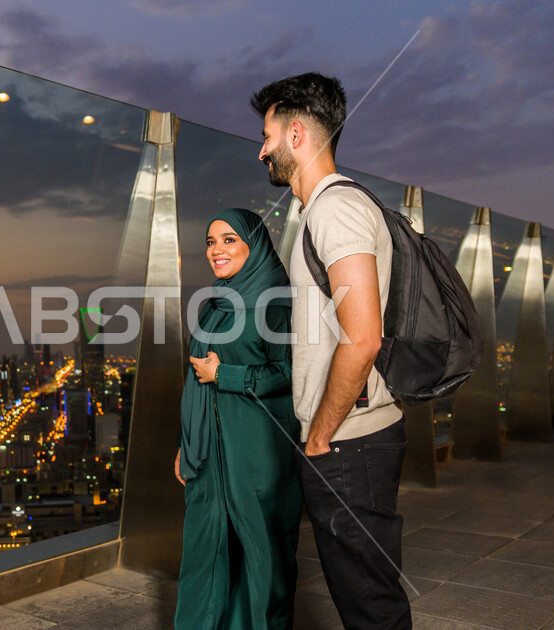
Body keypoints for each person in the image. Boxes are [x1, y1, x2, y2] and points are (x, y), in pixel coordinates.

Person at [252, 73, 411, 629]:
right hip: (352, 438)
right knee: (363, 593)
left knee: (368, 602)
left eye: (267, 135)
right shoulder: (321, 209)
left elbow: (363, 335)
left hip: (348, 442)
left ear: (297, 135)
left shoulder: (332, 211)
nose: (262, 149)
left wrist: (320, 433)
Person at [173, 208, 302, 630]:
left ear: (255, 244)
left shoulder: (276, 298)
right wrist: (187, 443)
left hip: (256, 448)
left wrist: (223, 374)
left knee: (262, 559)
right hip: (211, 452)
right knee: (205, 554)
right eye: (211, 241)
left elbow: (287, 372)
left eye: (229, 239)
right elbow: (196, 384)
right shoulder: (217, 301)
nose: (217, 250)